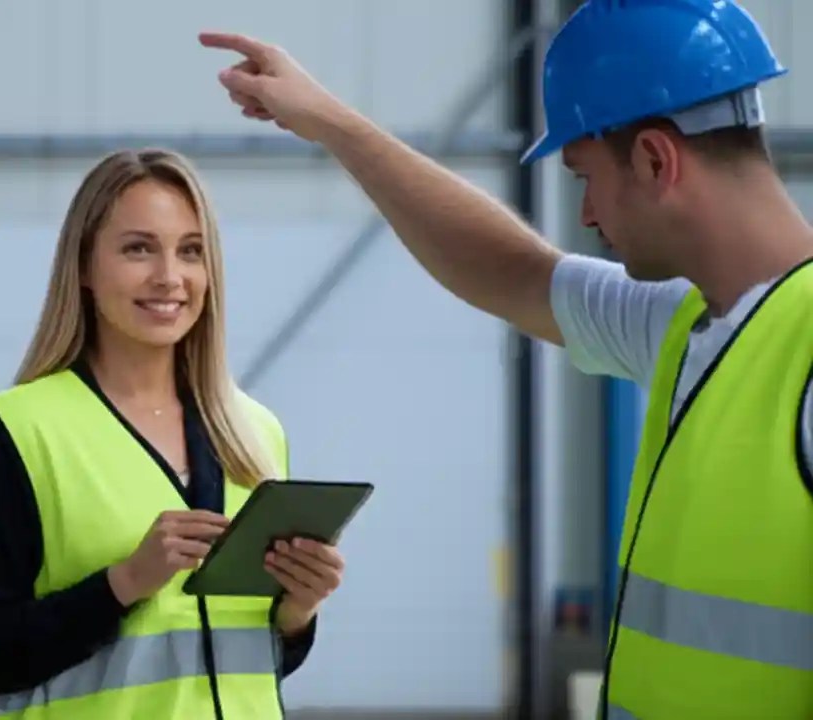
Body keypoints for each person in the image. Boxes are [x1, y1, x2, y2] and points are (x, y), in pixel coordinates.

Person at [199, 1, 813, 718]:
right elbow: (510, 271)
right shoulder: (690, 323)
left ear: (654, 159)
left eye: (584, 176)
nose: (586, 214)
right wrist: (335, 124)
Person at [0, 148, 346, 719]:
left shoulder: (256, 431)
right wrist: (124, 582)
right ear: (83, 267)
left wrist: (298, 611)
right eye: (138, 249)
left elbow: (247, 661)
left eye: (190, 251)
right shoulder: (14, 431)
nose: (169, 278)